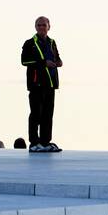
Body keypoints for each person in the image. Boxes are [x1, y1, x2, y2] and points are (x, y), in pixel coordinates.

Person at [21, 16, 63, 153]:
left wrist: (58, 62)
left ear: (49, 27)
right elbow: (24, 61)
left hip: (50, 84)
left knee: (47, 114)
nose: (41, 27)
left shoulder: (52, 42)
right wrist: (43, 63)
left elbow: (56, 57)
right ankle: (34, 142)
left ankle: (45, 142)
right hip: (36, 84)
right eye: (39, 25)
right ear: (35, 27)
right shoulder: (30, 43)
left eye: (43, 25)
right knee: (36, 114)